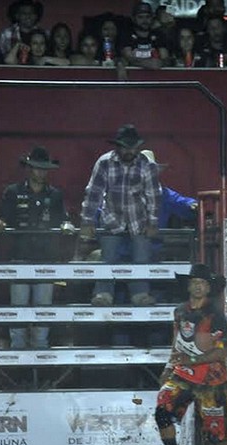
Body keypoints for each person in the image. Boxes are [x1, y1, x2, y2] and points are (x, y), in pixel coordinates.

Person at [153, 263, 227, 445]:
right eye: (195, 283)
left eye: (202, 283)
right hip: (184, 374)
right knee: (163, 409)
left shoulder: (215, 315)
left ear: (209, 288)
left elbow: (221, 351)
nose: (198, 287)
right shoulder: (181, 311)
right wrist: (169, 367)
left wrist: (190, 361)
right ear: (189, 286)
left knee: (216, 432)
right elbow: (177, 342)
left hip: (211, 379)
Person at [0, 146, 69, 349]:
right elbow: (0, 219)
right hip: (20, 258)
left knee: (43, 311)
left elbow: (65, 220)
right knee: (18, 308)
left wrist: (66, 225)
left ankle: (39, 349)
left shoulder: (55, 195)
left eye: (44, 168)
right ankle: (19, 349)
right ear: (30, 168)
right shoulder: (12, 192)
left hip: (46, 259)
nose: (41, 172)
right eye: (37, 168)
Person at [80, 124, 161, 308]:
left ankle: (140, 294)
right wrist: (87, 220)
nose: (129, 151)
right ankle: (103, 294)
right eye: (126, 147)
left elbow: (153, 195)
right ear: (118, 146)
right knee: (107, 257)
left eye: (132, 147)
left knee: (141, 258)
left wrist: (152, 221)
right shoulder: (104, 162)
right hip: (112, 217)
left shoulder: (146, 165)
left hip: (138, 218)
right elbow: (94, 193)